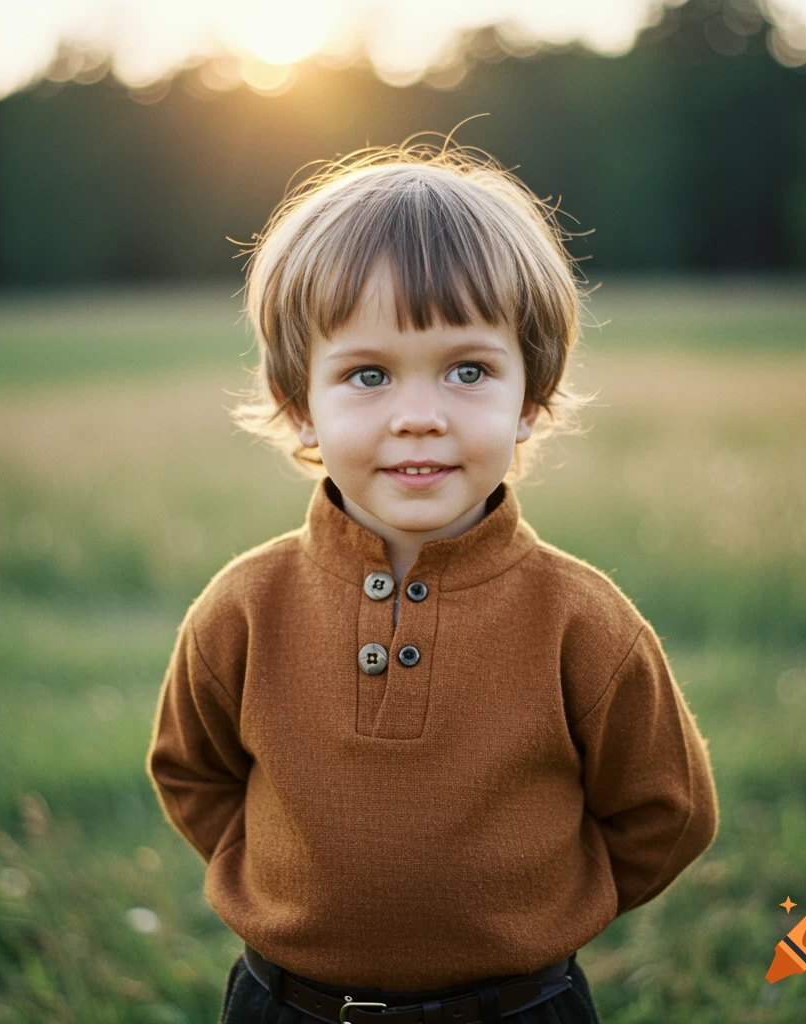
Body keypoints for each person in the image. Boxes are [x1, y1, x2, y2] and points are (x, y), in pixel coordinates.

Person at [146, 132, 720, 1024]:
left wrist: (544, 910)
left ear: (531, 399)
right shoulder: (245, 609)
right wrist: (283, 889)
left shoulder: (582, 622)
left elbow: (667, 812)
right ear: (302, 404)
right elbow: (191, 771)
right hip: (287, 1005)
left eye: (468, 370)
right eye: (367, 374)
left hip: (519, 1007)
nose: (419, 417)